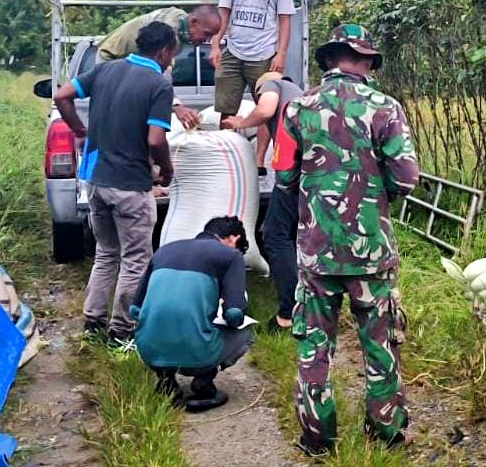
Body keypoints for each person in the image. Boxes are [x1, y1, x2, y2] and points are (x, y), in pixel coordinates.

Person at [272, 23, 419, 455]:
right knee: (380, 344)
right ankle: (386, 431)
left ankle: (317, 438)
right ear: (368, 62)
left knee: (314, 346)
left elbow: (283, 176)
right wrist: (374, 195)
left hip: (316, 253)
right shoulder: (386, 108)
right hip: (371, 252)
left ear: (328, 59)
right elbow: (407, 177)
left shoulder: (296, 109)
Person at [54, 21, 178, 348]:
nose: (171, 61)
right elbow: (155, 139)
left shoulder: (105, 70)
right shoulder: (159, 84)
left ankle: (93, 322)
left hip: (97, 181)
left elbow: (62, 95)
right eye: (172, 55)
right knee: (136, 259)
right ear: (164, 51)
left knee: (106, 253)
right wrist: (166, 168)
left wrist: (80, 130)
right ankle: (121, 333)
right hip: (130, 185)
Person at [129, 216, 253, 413]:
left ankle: (166, 382)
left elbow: (134, 310)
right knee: (245, 333)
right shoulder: (231, 256)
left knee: (164, 327)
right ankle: (204, 381)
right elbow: (234, 314)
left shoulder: (164, 250)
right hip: (198, 353)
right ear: (234, 238)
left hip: (149, 352)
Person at [221, 71, 303, 333]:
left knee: (274, 235)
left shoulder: (272, 85)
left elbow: (265, 111)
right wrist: (258, 160)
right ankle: (312, 303)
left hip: (294, 173)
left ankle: (289, 314)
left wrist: (240, 122)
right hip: (318, 174)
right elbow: (266, 125)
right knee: (299, 236)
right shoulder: (298, 98)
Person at [210, 0, 295, 121]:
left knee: (265, 111)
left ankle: (263, 144)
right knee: (226, 109)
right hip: (233, 53)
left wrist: (281, 54)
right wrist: (215, 45)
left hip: (263, 56)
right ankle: (227, 140)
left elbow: (284, 22)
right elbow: (223, 15)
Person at [98, 5, 222, 129]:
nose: (207, 40)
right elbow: (162, 77)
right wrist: (177, 106)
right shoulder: (168, 33)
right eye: (206, 33)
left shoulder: (180, 20)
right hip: (110, 57)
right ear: (194, 22)